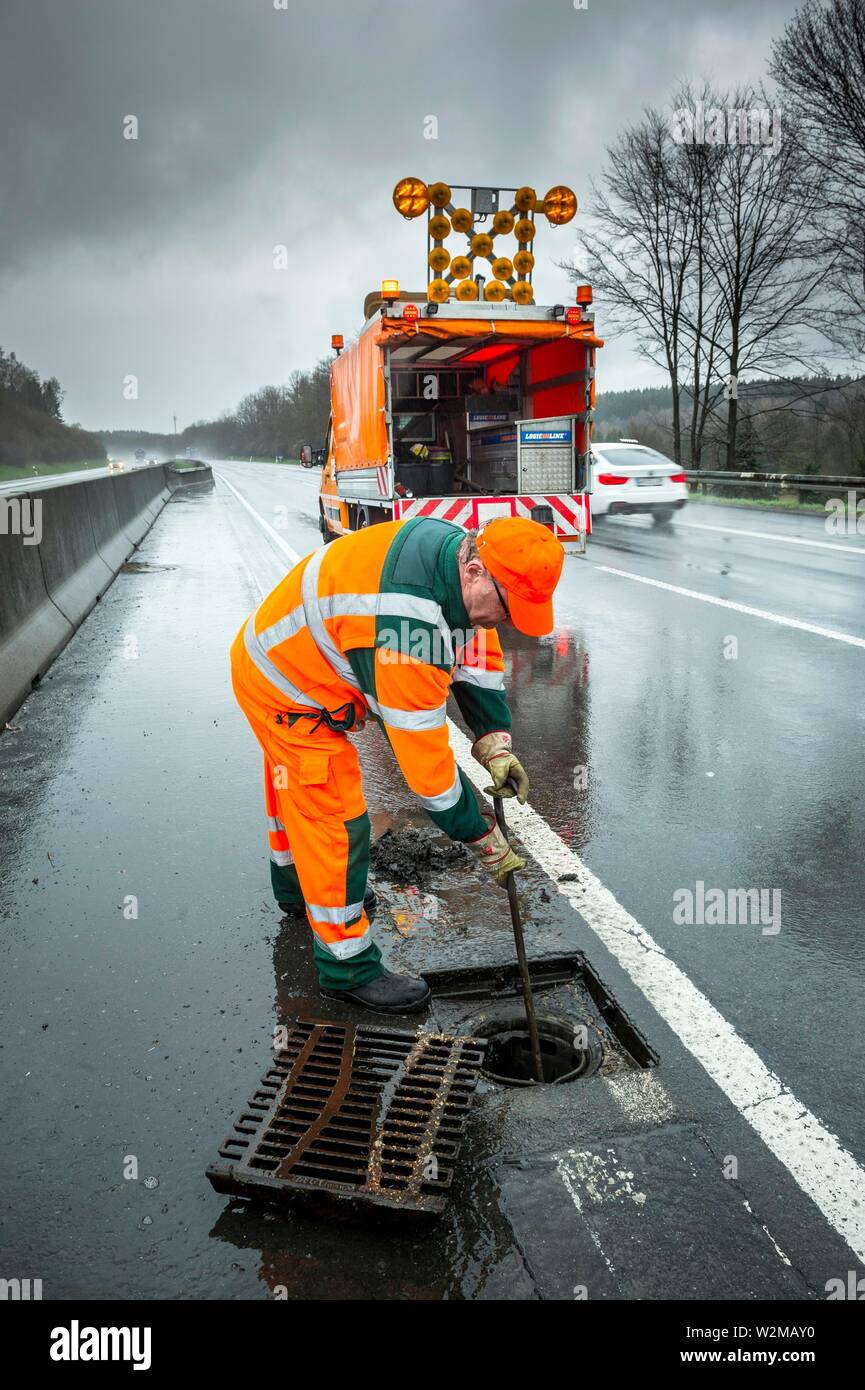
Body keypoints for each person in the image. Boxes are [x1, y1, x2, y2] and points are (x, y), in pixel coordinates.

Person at [229, 515, 565, 1014]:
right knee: (336, 819)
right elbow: (428, 774)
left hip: (284, 656)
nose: (509, 623)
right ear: (475, 570)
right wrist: (480, 834)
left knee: (294, 792)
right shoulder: (409, 631)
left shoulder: (454, 563)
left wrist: (494, 739)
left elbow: (475, 649)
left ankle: (299, 889)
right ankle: (347, 967)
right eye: (509, 607)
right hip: (287, 686)